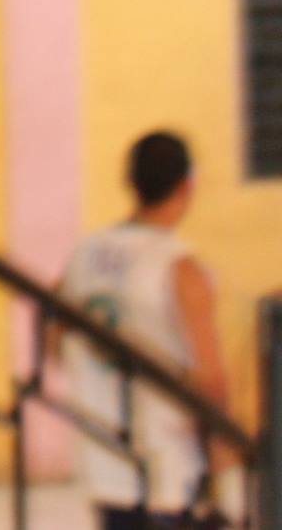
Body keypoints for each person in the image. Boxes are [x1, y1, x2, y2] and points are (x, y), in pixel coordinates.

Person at [57, 132, 233, 529]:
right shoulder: (180, 267)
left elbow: (54, 339)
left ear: (131, 183)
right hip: (166, 467)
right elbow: (212, 377)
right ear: (188, 186)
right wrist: (225, 449)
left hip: (104, 459)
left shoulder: (84, 254)